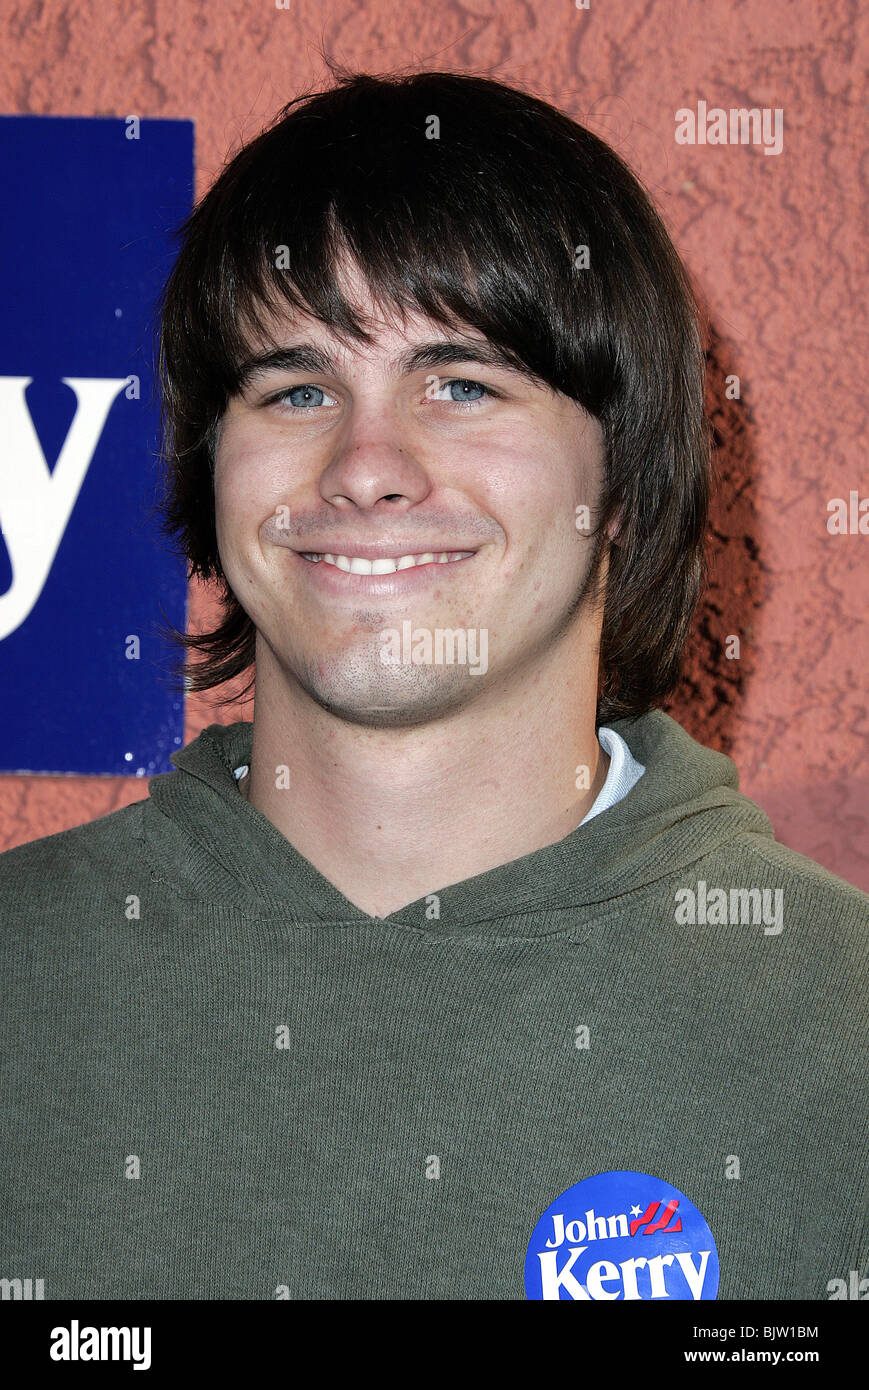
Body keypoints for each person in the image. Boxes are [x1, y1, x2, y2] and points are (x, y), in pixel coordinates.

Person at [1, 66, 865, 1302]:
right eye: (296, 389)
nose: (365, 466)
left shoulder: (841, 1033)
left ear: (621, 480)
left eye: (461, 383)